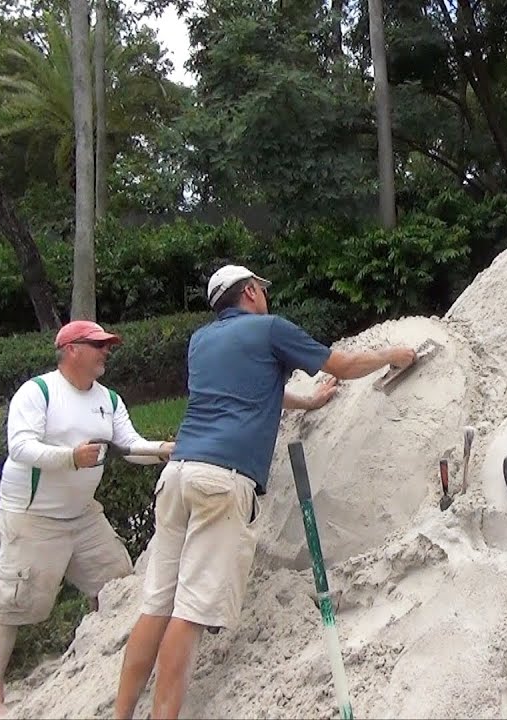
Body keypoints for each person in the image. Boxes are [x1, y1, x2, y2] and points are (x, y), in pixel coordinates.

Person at [113, 264, 417, 719]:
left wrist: (309, 401)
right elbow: (341, 365)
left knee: (156, 604)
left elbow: (249, 390)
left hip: (177, 474)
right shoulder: (269, 330)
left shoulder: (201, 342)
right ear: (251, 292)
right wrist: (393, 354)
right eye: (263, 291)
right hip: (222, 479)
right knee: (190, 612)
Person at [0, 320, 175, 719]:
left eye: (107, 345)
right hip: (33, 517)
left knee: (116, 584)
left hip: (83, 516)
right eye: (98, 345)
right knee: (13, 602)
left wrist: (162, 450)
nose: (106, 351)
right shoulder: (38, 392)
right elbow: (20, 447)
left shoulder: (109, 399)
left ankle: (99, 662)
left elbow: (129, 445)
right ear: (71, 349)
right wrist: (70, 457)